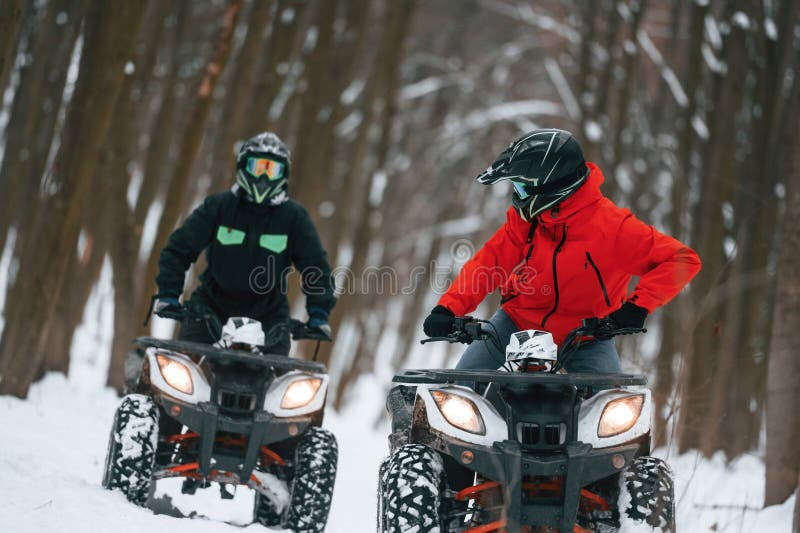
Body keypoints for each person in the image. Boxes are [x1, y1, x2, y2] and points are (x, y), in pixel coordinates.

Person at [423, 129, 701, 373]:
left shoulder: (614, 227)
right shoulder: (527, 220)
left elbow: (682, 260)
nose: (517, 196)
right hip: (516, 323)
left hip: (586, 335)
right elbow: (489, 262)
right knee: (461, 387)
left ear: (552, 186)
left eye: (522, 188)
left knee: (612, 406)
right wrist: (448, 308)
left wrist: (637, 306)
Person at [152, 132, 336, 354]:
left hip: (270, 318)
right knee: (182, 365)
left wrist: (319, 314)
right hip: (210, 309)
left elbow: (316, 267)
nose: (264, 176)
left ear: (284, 174)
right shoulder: (219, 206)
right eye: (257, 167)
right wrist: (169, 293)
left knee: (279, 374)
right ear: (243, 167)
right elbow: (179, 248)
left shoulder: (294, 218)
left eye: (272, 170)